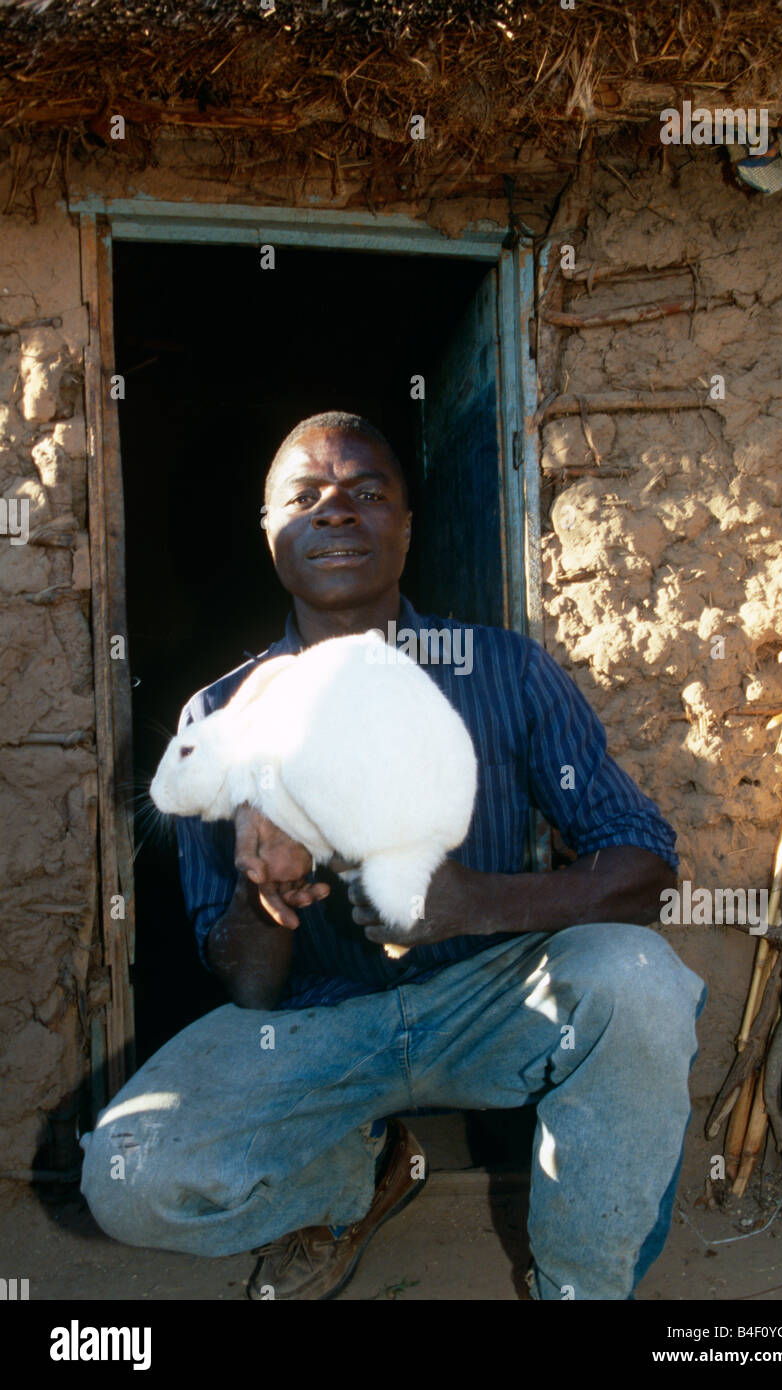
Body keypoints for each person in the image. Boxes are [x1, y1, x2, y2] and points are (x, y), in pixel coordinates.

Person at [80, 410, 706, 1301]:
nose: (336, 513)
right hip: (315, 1025)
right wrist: (268, 897)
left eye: (367, 494)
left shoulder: (502, 671)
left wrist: (469, 904)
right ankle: (354, 1184)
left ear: (405, 530)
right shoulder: (218, 719)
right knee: (126, 1181)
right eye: (305, 498)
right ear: (270, 533)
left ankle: (581, 1289)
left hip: (491, 1004)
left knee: (637, 978)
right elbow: (247, 986)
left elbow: (645, 868)